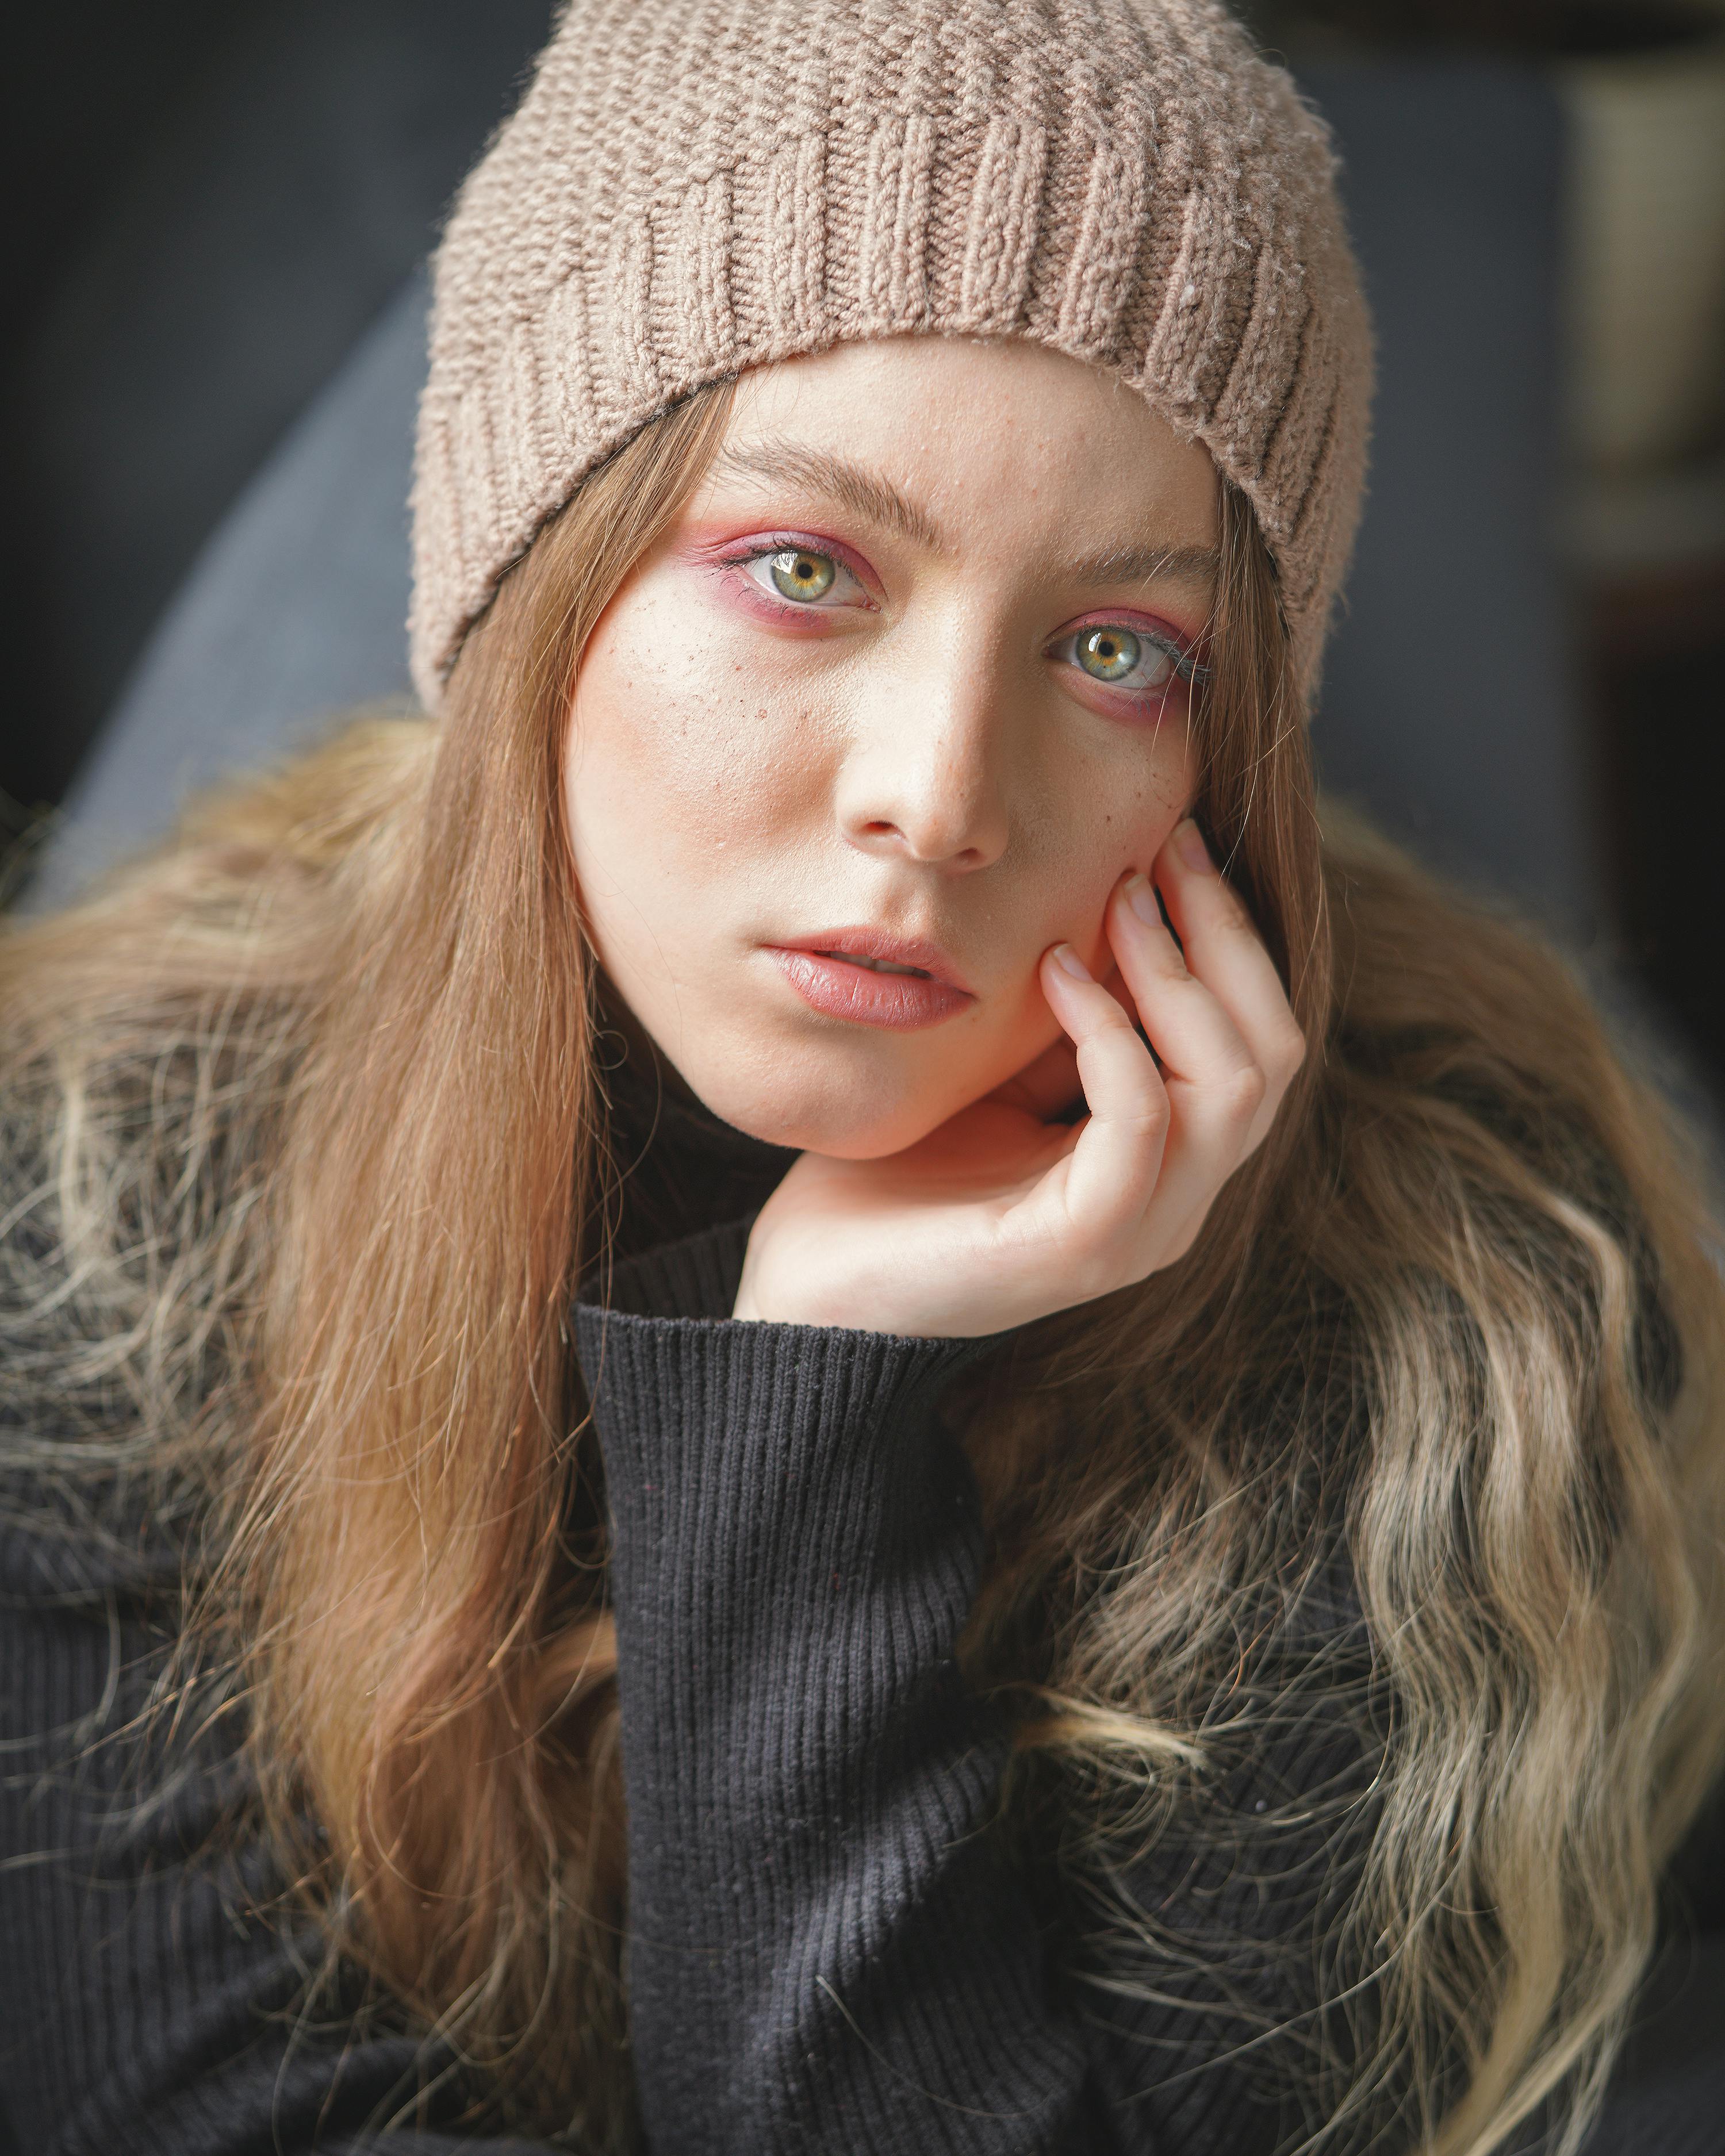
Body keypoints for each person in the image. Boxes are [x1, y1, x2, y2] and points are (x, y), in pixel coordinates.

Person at [3, 2, 1722, 2151]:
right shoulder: (100, 1182)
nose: (938, 797)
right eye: (803, 571)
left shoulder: (1457, 1282)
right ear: (540, 589)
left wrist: (809, 1407)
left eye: (1121, 651)